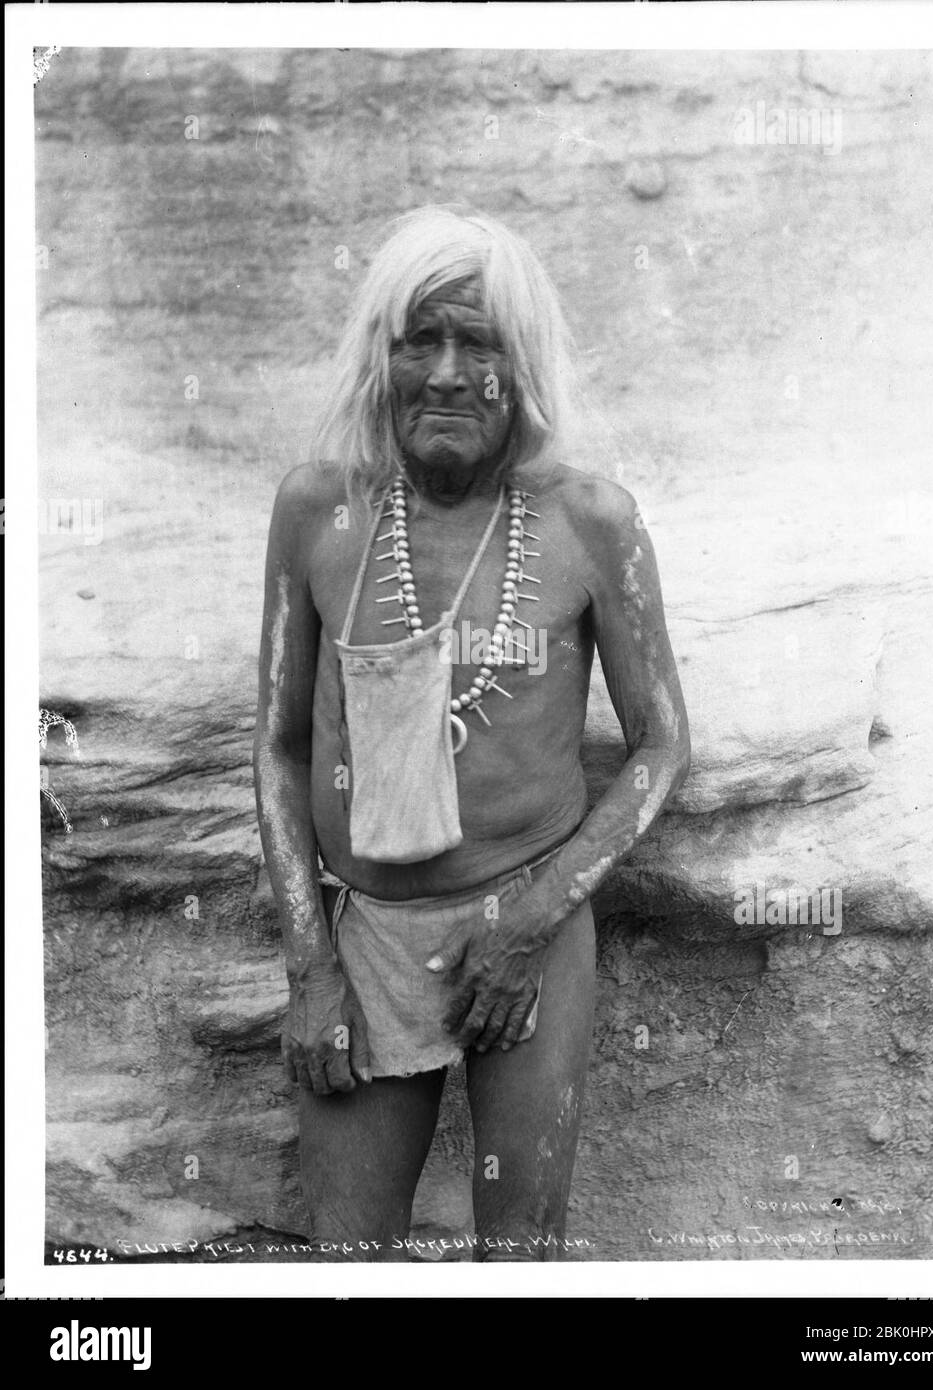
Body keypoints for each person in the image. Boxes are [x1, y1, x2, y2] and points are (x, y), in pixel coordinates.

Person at [253, 206, 690, 1261]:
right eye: (420, 340)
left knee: (521, 1260)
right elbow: (279, 744)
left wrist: (533, 919)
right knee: (348, 1264)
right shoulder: (318, 511)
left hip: (526, 925)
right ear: (383, 357)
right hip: (361, 941)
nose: (446, 373)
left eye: (477, 342)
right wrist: (309, 967)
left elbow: (661, 744)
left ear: (519, 364)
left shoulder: (589, 521)